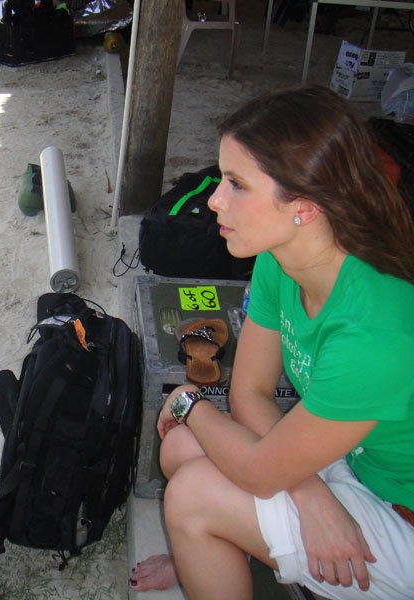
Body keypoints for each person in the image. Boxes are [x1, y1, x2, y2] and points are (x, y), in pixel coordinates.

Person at [130, 85, 414, 599]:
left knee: (192, 492)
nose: (213, 200)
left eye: (237, 185)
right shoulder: (280, 260)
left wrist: (188, 399)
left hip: (403, 511)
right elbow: (249, 393)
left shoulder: (373, 332)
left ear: (304, 207)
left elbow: (260, 470)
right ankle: (218, 547)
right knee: (181, 450)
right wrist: (309, 492)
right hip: (354, 464)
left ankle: (210, 531)